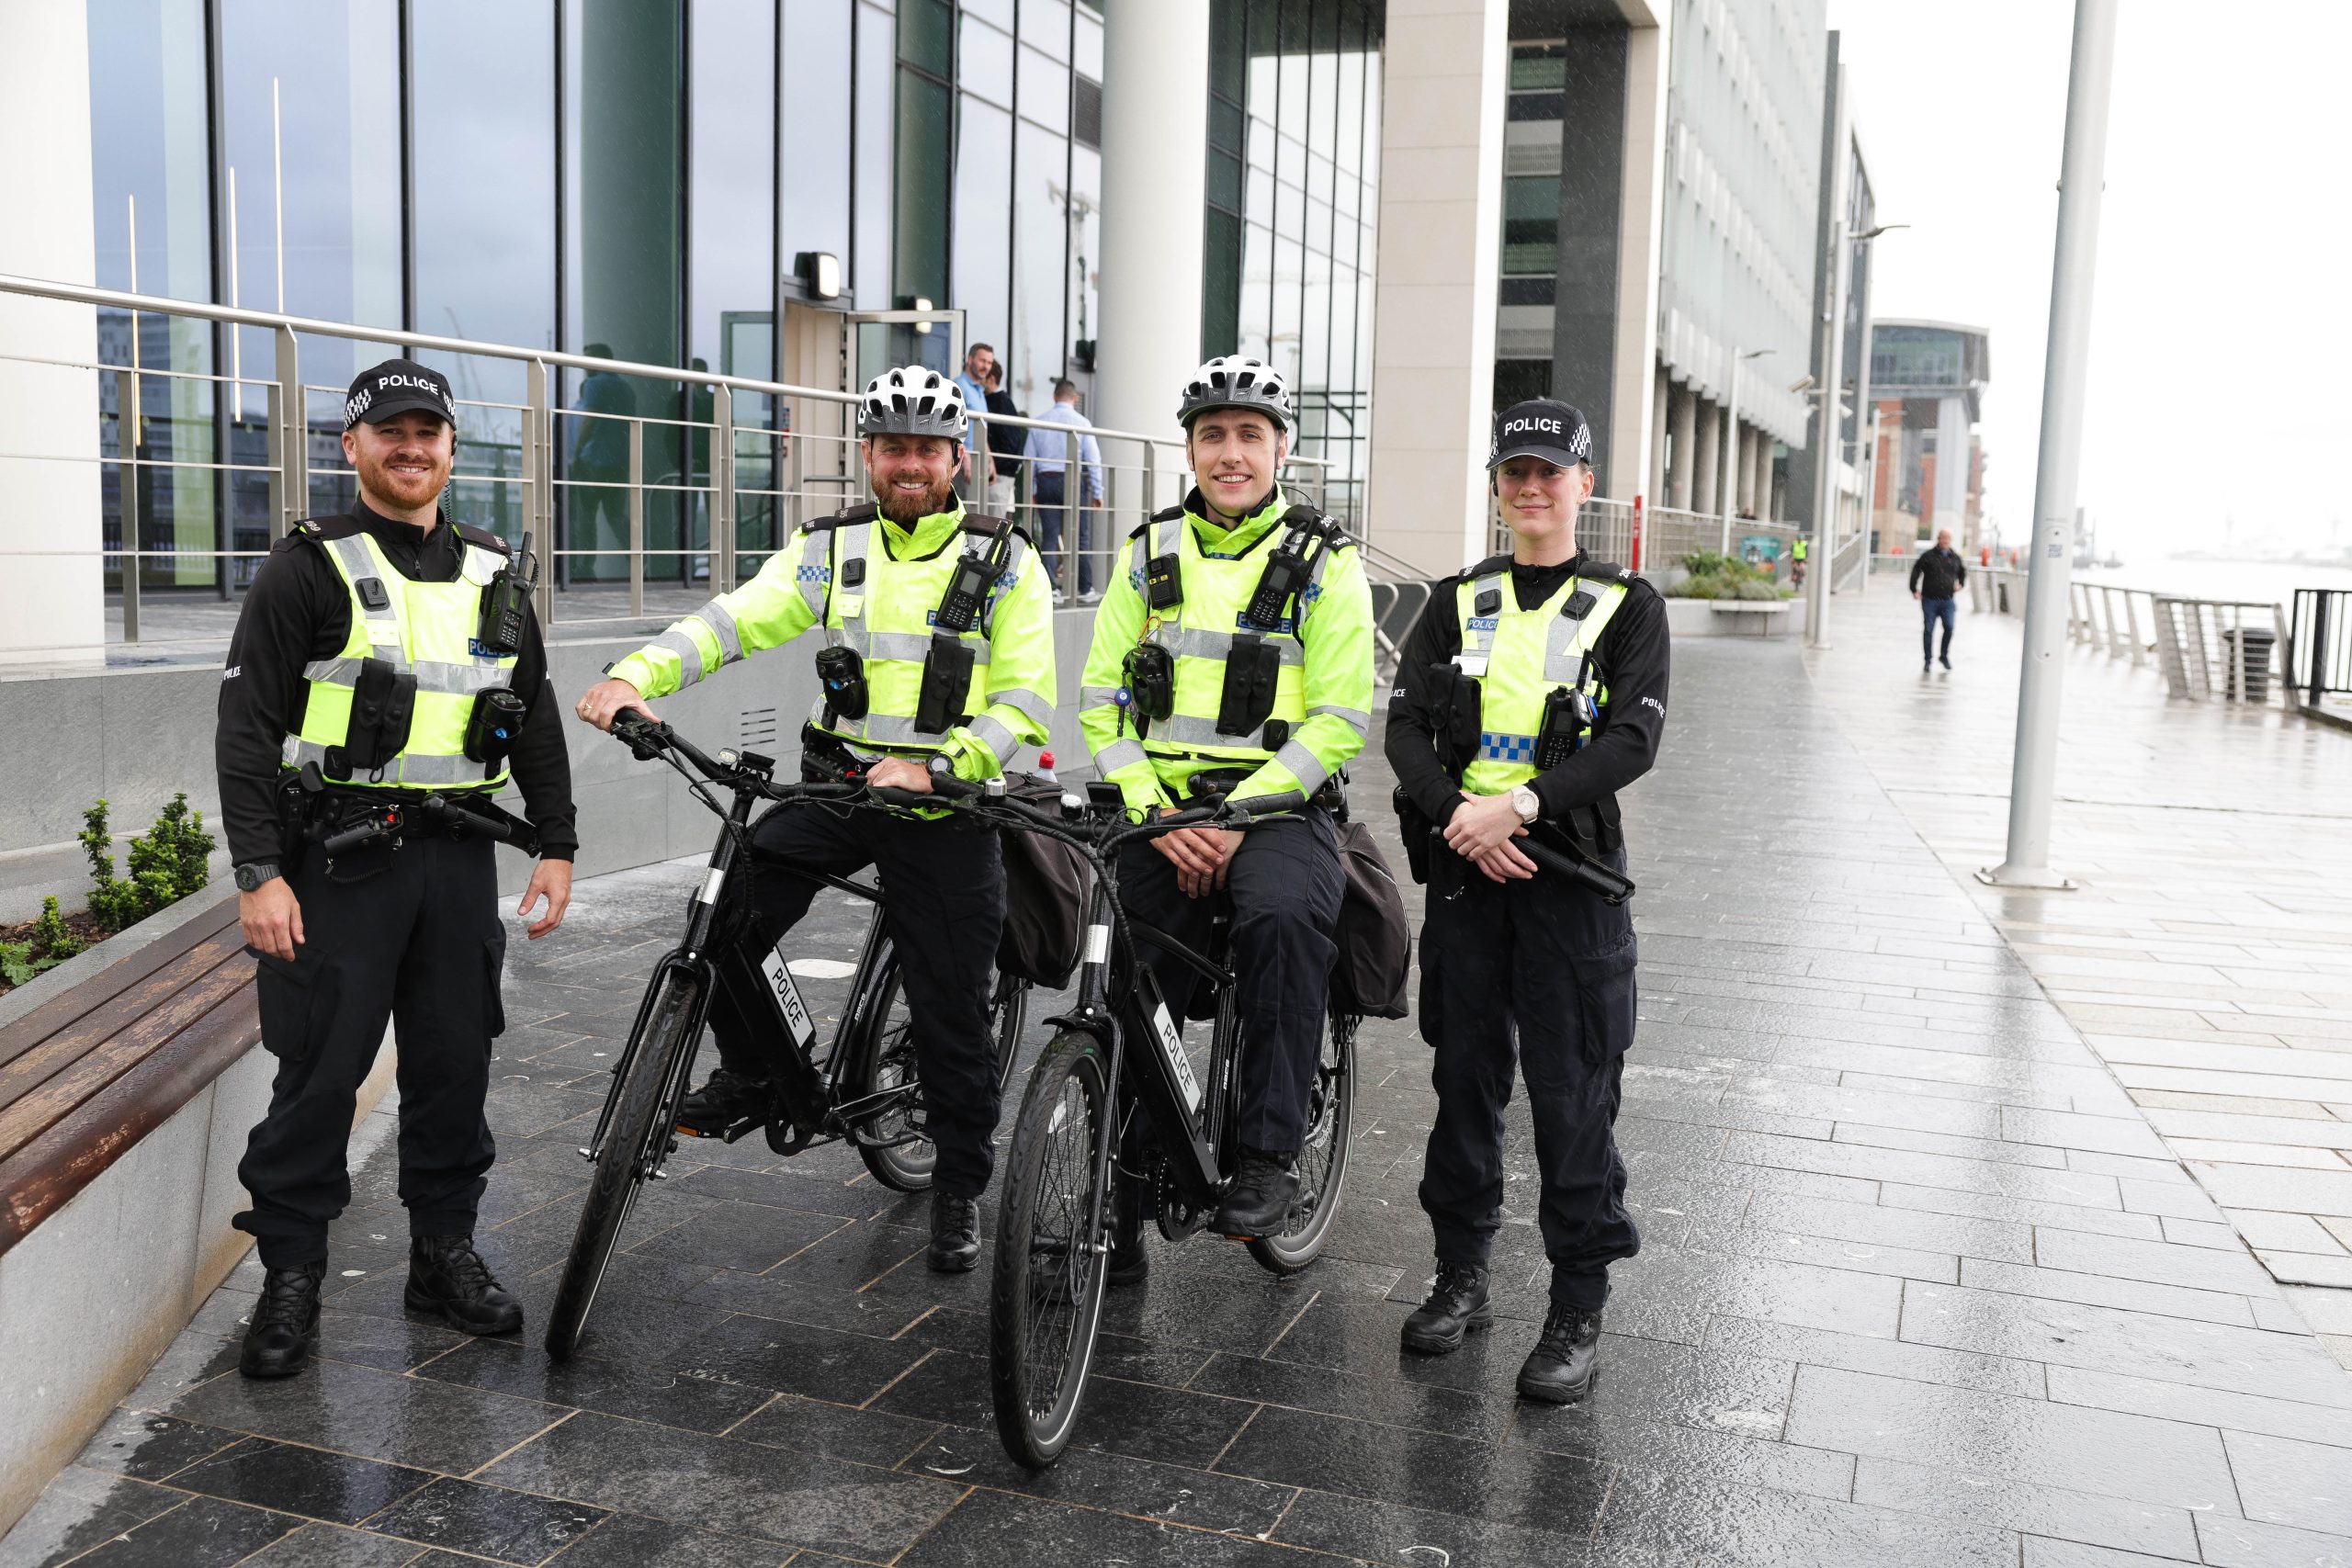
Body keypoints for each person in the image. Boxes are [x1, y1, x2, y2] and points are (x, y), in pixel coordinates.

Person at [575, 366, 1056, 1274]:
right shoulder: (829, 548)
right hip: (835, 788)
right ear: (867, 455)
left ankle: (958, 1180)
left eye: (926, 448)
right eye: (890, 447)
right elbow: (734, 621)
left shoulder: (1005, 562)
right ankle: (760, 1076)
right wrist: (637, 675)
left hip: (945, 804)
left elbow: (1026, 702)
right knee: (723, 923)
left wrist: (943, 765)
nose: (907, 463)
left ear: (957, 458)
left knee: (951, 1002)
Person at [218, 358, 579, 1379]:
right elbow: (245, 732)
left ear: (452, 449)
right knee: (321, 1077)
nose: (410, 448)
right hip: (337, 863)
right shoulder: (305, 568)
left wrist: (555, 840)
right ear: (353, 446)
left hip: (458, 857)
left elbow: (534, 711)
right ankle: (291, 1278)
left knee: (453, 1066)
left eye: (428, 432)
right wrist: (258, 873)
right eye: (391, 432)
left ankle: (443, 1257)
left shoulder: (493, 572)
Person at [1384, 398, 1670, 1404]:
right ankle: (1461, 1277)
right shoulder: (1456, 599)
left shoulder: (1629, 605)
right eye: (1516, 472)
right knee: (1463, 1090)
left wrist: (1521, 807)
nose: (1532, 487)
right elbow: (1407, 727)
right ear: (1498, 487)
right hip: (1469, 871)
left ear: (1583, 485)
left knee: (1572, 1097)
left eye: (1551, 471)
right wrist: (1462, 815)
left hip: (1568, 886)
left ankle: (1575, 1306)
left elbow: (1631, 741)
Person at [1078, 355, 1374, 1262]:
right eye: (1214, 435)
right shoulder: (1147, 552)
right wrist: (1150, 804)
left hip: (1276, 806)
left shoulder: (1327, 560)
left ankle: (1269, 1152)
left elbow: (1338, 719)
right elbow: (1099, 702)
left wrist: (1231, 815)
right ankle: (1119, 1194)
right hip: (1161, 807)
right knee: (1115, 963)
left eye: (1250, 434)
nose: (1231, 452)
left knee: (1283, 923)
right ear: (1191, 450)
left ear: (1281, 447)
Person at [1024, 378, 1106, 600]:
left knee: (1050, 536)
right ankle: (1084, 589)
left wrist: (1031, 489)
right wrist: (1098, 492)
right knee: (1080, 537)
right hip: (1071, 480)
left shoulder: (1039, 422)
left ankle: (1051, 588)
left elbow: (1028, 458)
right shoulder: (1082, 422)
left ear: (1054, 397)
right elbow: (1093, 459)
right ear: (1075, 398)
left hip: (1046, 480)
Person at [1910, 526, 1966, 670]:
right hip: (1929, 600)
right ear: (1938, 539)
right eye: (1943, 537)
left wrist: (1961, 584)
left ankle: (1943, 655)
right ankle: (1928, 660)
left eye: (1948, 538)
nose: (1945, 540)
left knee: (1949, 627)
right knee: (1928, 629)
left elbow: (1962, 572)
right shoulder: (1928, 556)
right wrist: (1914, 589)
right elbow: (1916, 570)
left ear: (1950, 540)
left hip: (1948, 600)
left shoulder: (1955, 557)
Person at [952, 343, 1000, 502]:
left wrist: (990, 460)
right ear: (970, 360)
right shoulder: (958, 386)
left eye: (989, 363)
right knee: (962, 512)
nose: (986, 366)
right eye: (982, 361)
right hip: (962, 462)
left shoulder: (980, 391)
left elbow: (981, 429)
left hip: (978, 461)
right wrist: (964, 458)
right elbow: (953, 424)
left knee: (976, 513)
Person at [981, 361, 1023, 516]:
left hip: (998, 476)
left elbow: (1011, 444)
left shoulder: (1002, 403)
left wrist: (994, 467)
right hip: (996, 474)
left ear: (991, 379)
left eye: (983, 375)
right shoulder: (994, 400)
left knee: (993, 526)